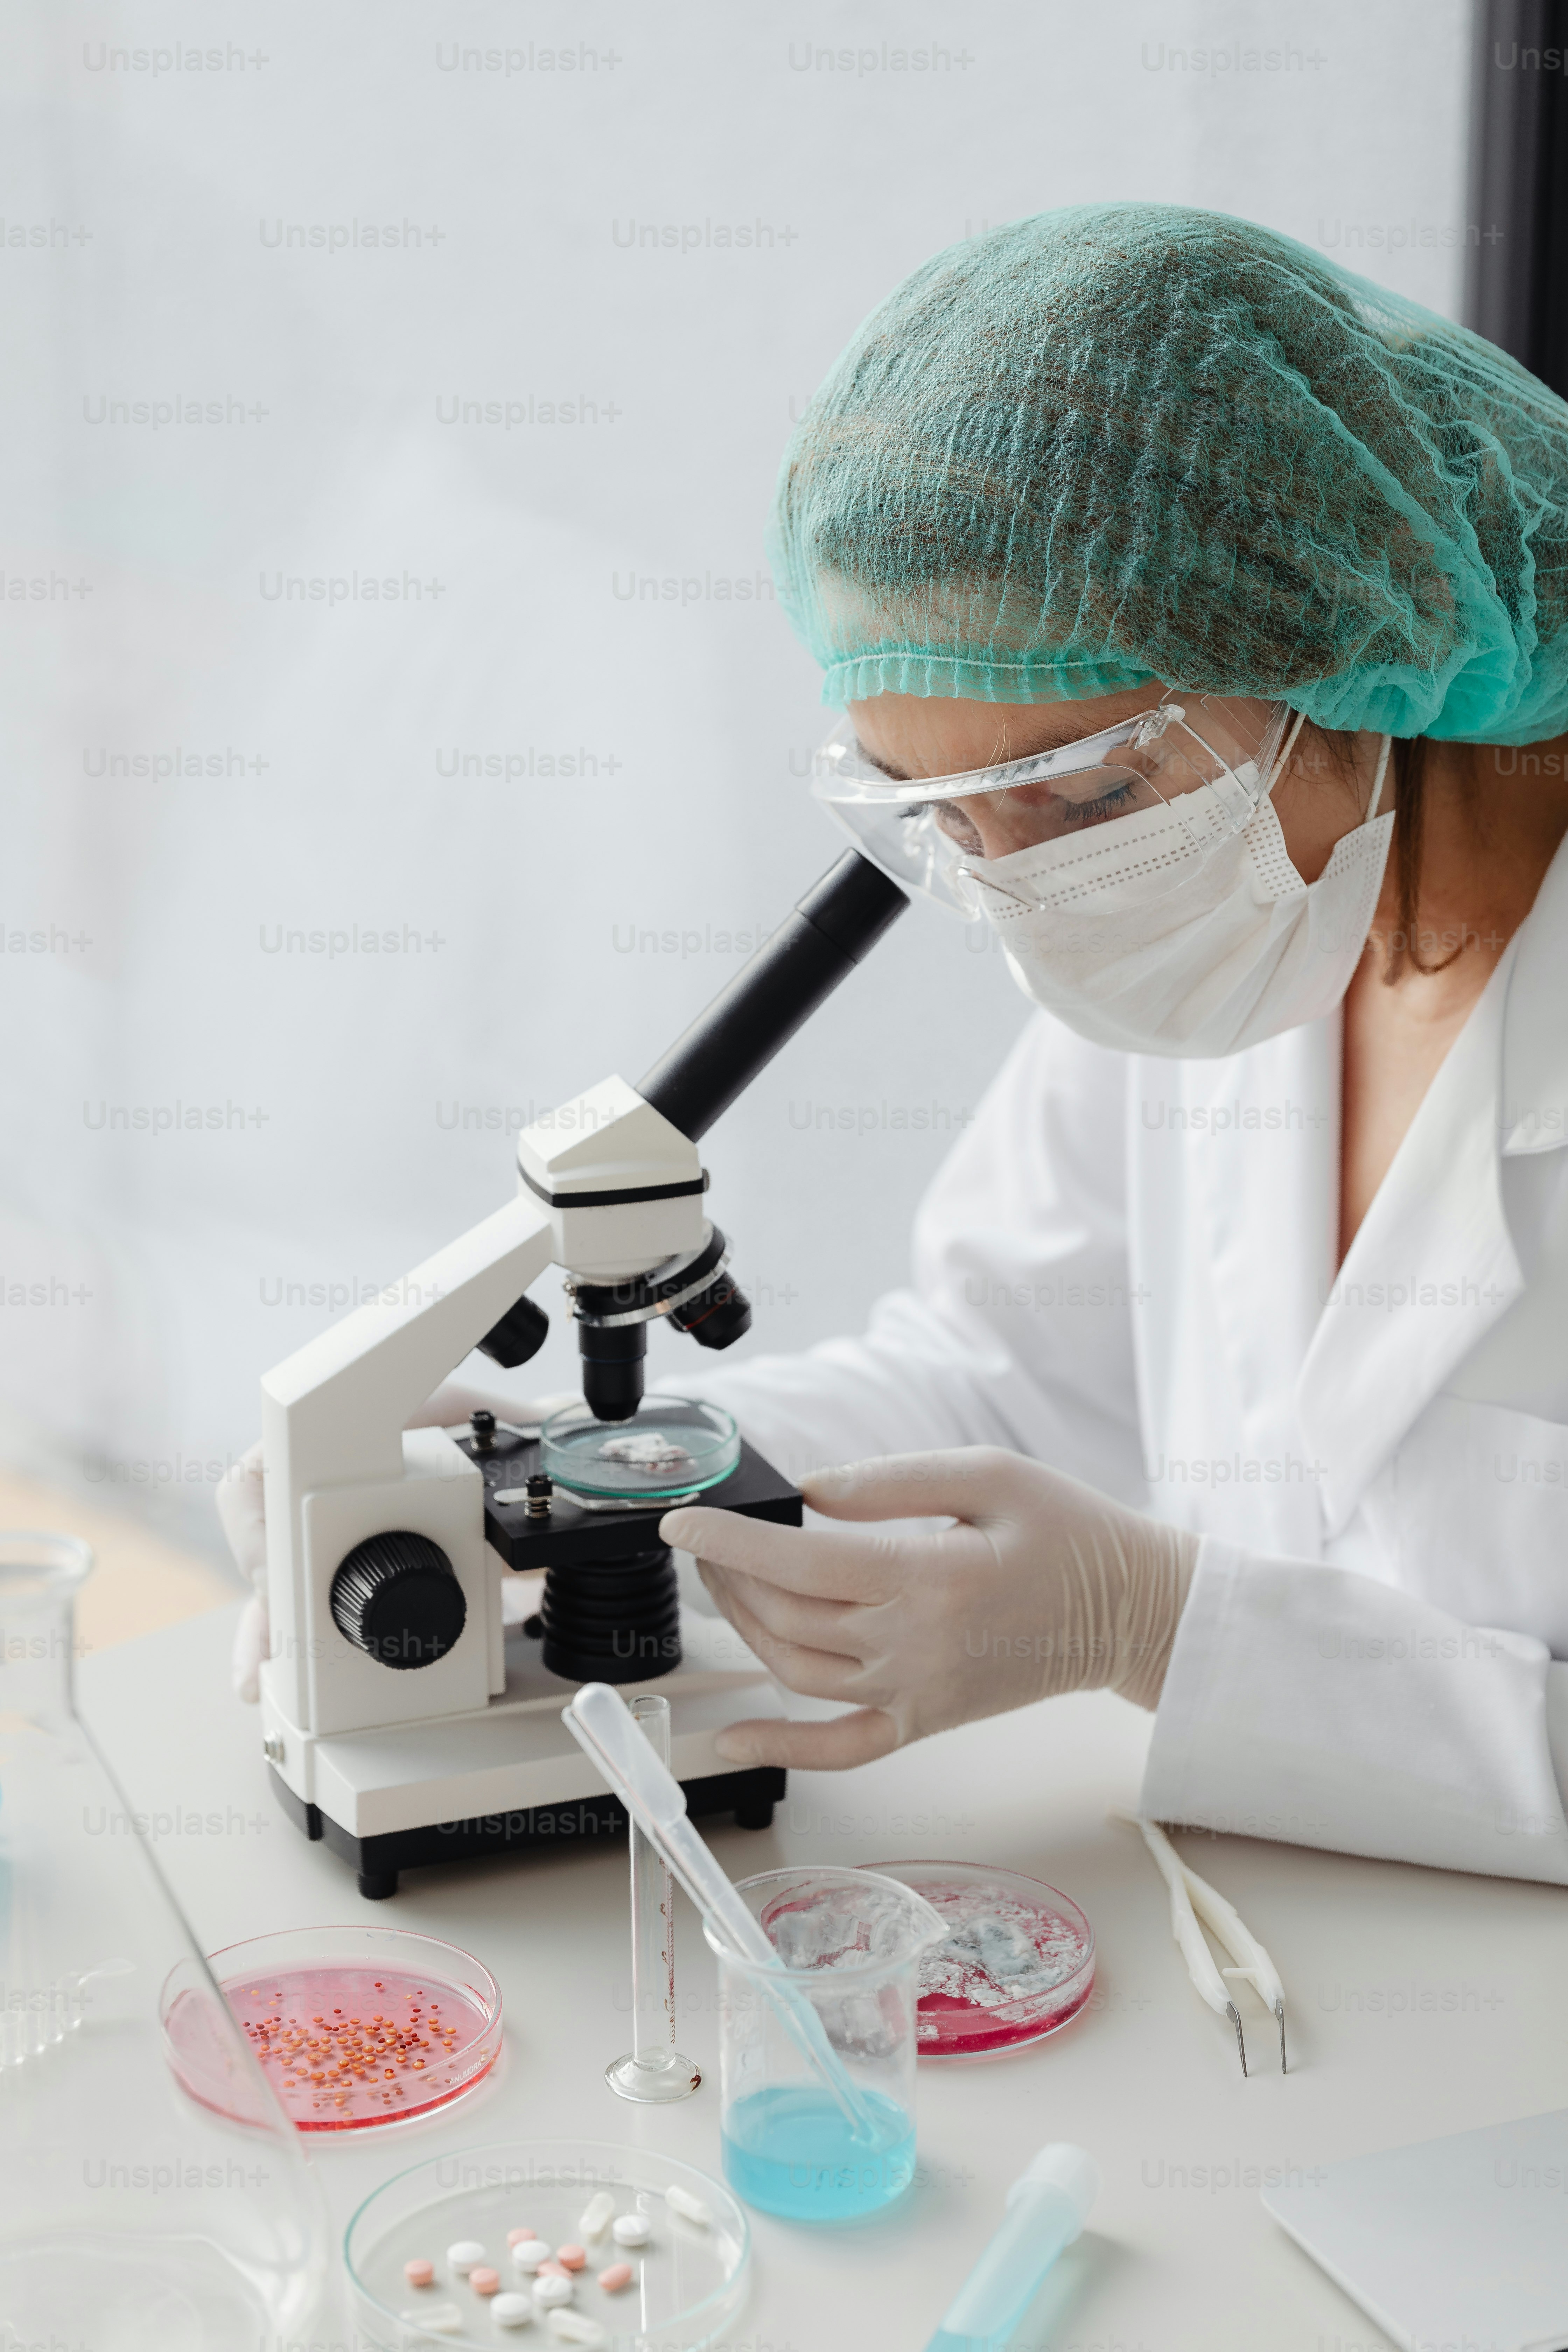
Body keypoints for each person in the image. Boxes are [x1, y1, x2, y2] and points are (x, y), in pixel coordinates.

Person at [223, 204, 1568, 1885]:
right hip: (1250, 1939)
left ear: (1349, 647)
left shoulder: (1250, 877)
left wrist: (1155, 1633)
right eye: (951, 821)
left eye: (1082, 795)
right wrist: (582, 1476)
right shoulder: (1232, 924)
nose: (1032, 889)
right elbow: (1002, 1374)